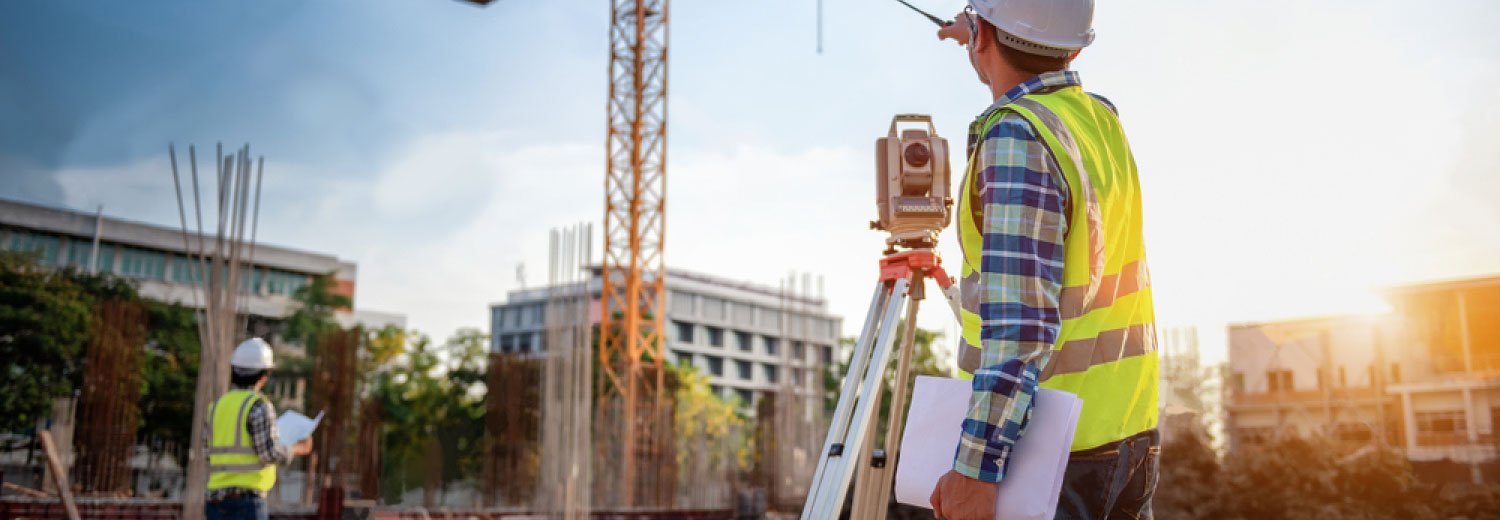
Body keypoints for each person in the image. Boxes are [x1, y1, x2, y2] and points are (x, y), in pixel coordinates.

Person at [928, 1, 1160, 519]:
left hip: (1051, 458)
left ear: (982, 35)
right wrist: (978, 28)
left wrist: (974, 469)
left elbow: (1021, 328)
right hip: (1127, 436)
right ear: (1076, 46)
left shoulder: (1018, 136)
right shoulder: (1099, 119)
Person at [204, 338, 313, 520]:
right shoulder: (259, 406)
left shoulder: (216, 407)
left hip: (215, 501)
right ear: (264, 375)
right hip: (246, 503)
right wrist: (298, 448)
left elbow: (207, 453)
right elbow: (268, 453)